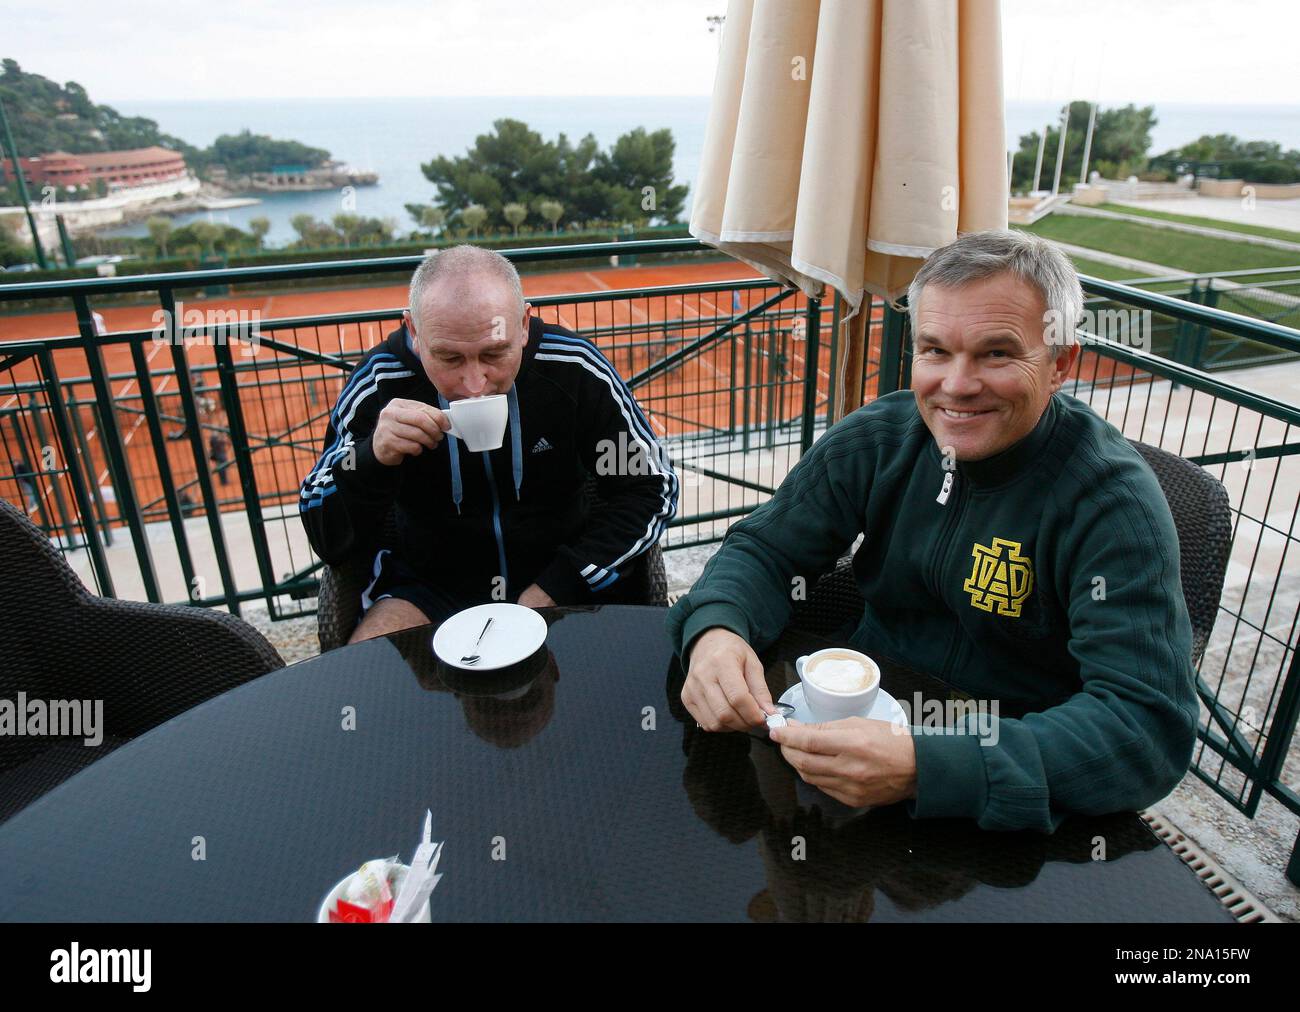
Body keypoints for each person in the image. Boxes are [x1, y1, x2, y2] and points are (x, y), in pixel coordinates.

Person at [666, 229, 1197, 833]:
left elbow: (1144, 729)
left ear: (1059, 365)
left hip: (1008, 799)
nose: (958, 385)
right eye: (935, 350)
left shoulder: (1114, 506)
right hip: (851, 734)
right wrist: (717, 629)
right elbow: (766, 549)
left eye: (996, 354)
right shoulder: (878, 438)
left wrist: (931, 766)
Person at [300, 245, 678, 643]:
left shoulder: (573, 367)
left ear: (524, 324)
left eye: (494, 353)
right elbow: (324, 532)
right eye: (449, 358)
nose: (474, 384)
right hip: (427, 588)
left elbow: (651, 485)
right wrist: (372, 459)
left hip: (559, 577)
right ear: (413, 331)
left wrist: (561, 583)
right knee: (372, 668)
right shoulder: (379, 380)